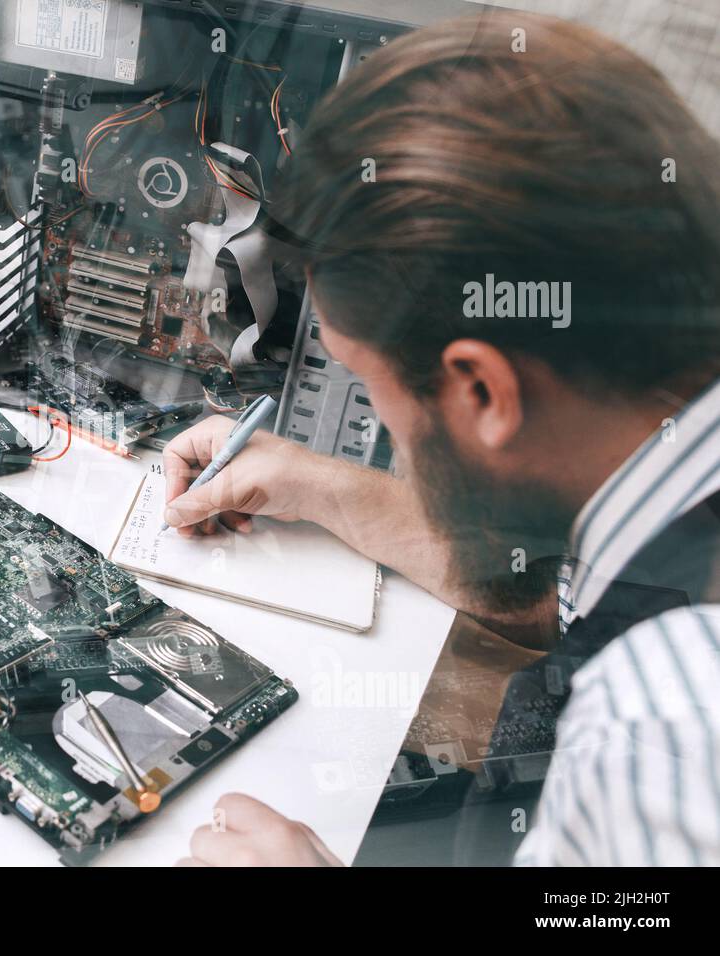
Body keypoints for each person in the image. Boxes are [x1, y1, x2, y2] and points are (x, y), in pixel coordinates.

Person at [166, 11, 720, 866]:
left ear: (484, 390)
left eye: (377, 393)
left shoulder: (661, 738)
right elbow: (584, 590)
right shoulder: (666, 487)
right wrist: (323, 486)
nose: (386, 431)